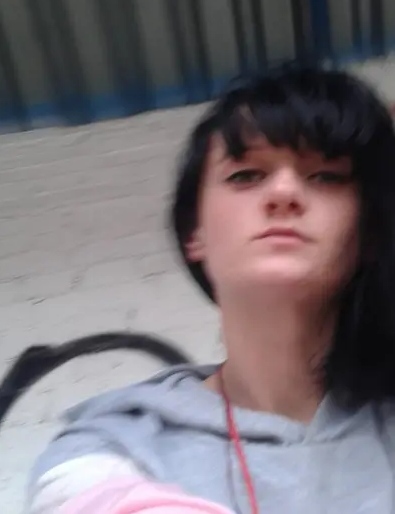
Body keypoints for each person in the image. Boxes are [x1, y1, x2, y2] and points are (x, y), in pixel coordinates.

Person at [27, 66, 395, 513]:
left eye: (325, 176)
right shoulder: (110, 446)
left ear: (369, 234)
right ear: (194, 234)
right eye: (245, 175)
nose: (283, 192)